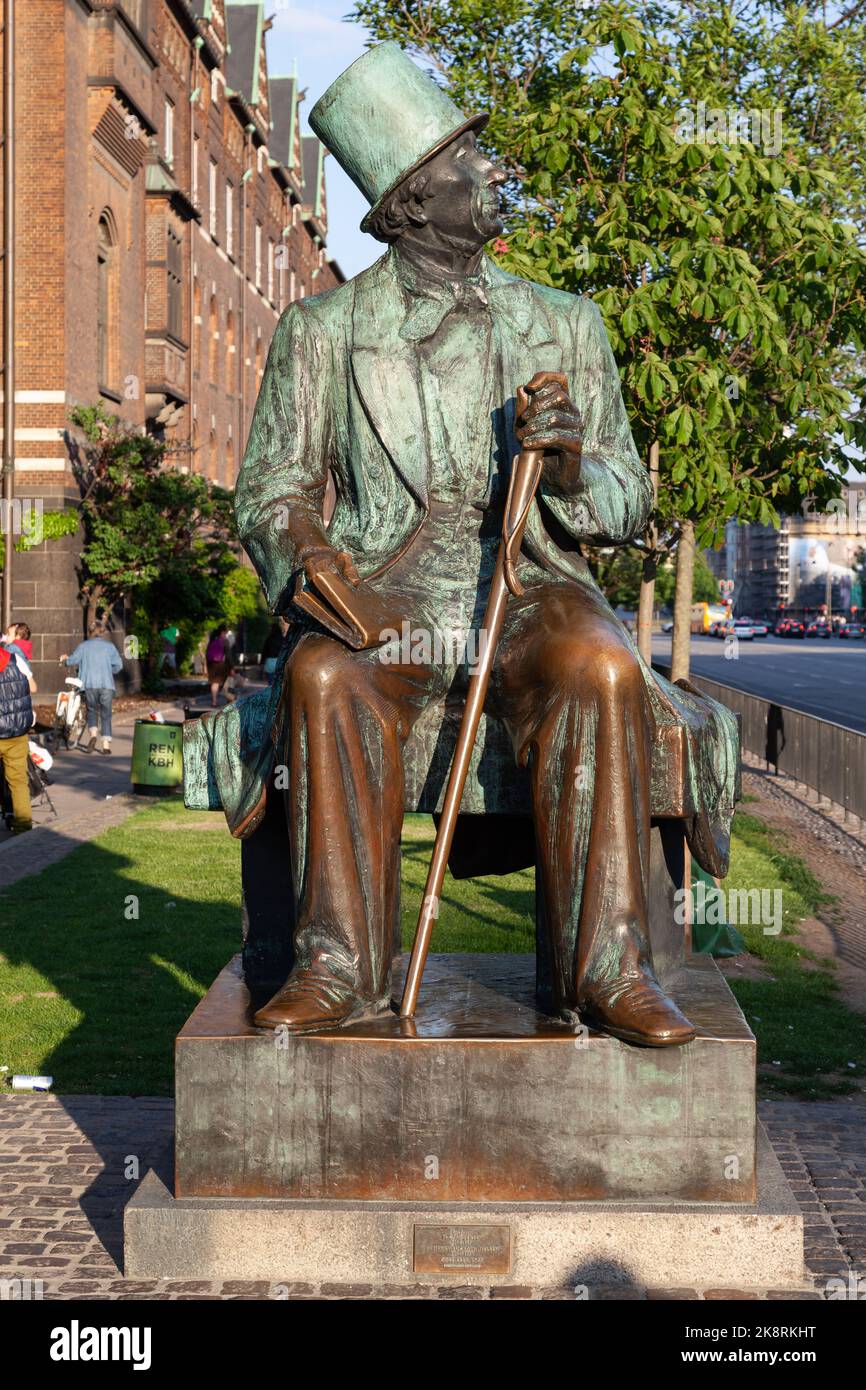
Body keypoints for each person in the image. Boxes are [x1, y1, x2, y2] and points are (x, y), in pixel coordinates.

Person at [231, 43, 738, 1041]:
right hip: (392, 589)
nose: (498, 169)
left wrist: (567, 469)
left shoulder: (566, 323)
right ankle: (338, 968)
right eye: (471, 157)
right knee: (324, 679)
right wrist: (319, 571)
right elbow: (272, 491)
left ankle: (606, 969)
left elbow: (628, 499)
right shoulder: (322, 331)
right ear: (415, 200)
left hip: (530, 586)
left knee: (597, 665)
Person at [59, 622, 123, 755]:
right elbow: (119, 666)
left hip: (89, 684)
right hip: (106, 684)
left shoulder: (84, 646)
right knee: (106, 714)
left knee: (92, 710)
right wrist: (108, 670)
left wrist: (65, 660)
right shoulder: (110, 647)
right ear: (103, 632)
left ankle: (93, 736)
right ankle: (105, 746)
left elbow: (72, 660)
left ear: (90, 632)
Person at [0, 634, 37, 833]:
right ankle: (23, 824)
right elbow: (32, 687)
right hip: (16, 732)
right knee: (18, 781)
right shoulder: (17, 660)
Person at [205, 625, 230, 707]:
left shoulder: (212, 640)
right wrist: (231, 666)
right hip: (220, 664)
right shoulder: (224, 641)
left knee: (214, 683)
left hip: (211, 664)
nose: (226, 634)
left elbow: (207, 654)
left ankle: (214, 701)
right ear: (222, 632)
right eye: (226, 632)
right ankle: (229, 697)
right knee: (224, 682)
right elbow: (228, 655)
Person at [260, 621, 285, 686]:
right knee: (279, 683)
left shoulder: (269, 639)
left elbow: (264, 652)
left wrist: (261, 663)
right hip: (280, 662)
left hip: (270, 662)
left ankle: (271, 694)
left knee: (271, 683)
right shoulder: (283, 639)